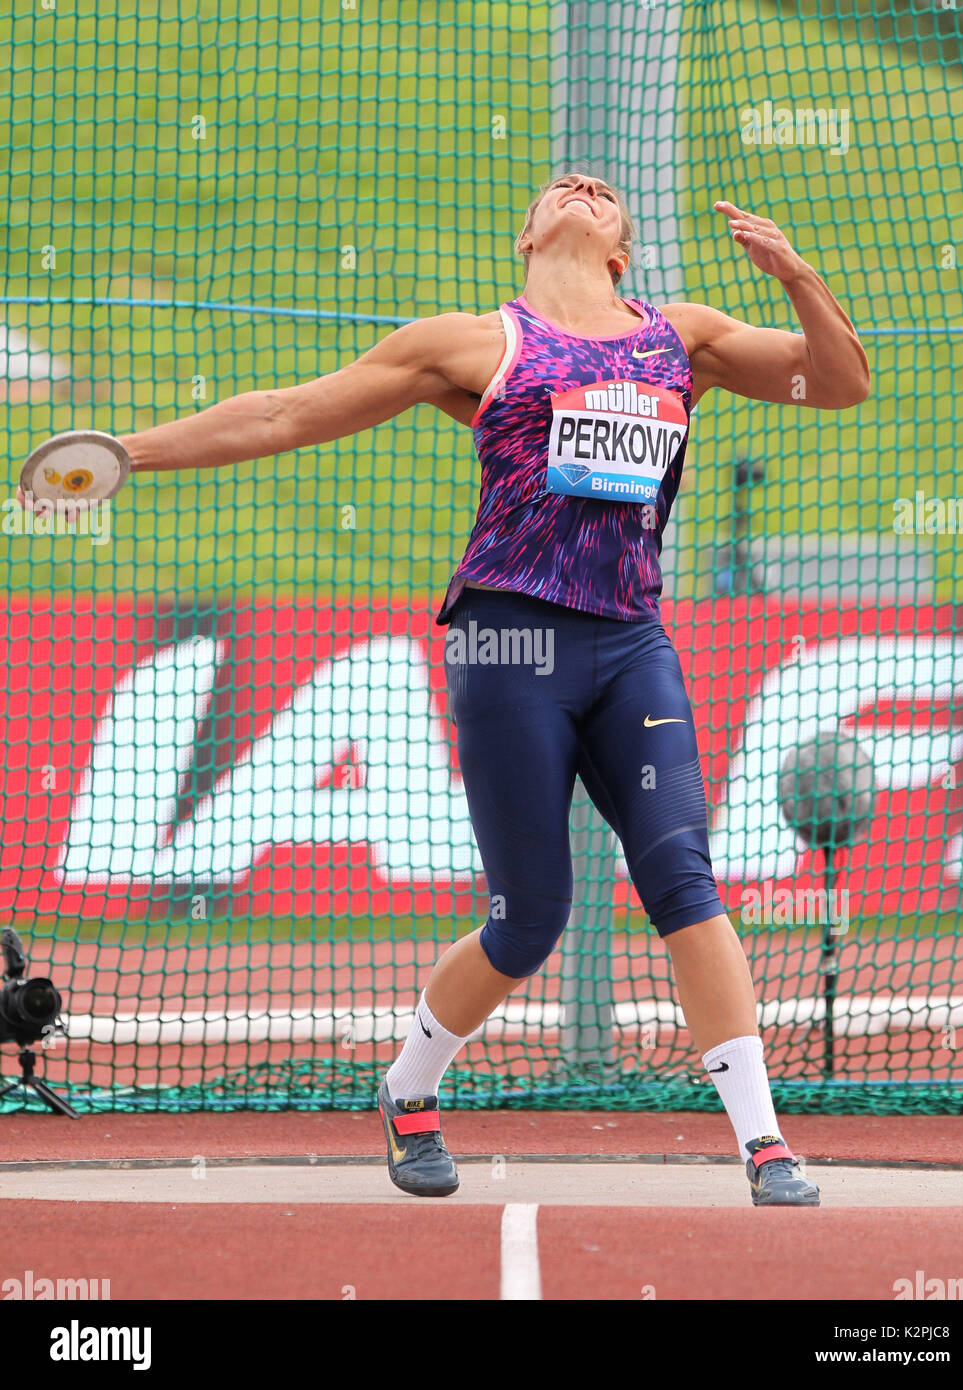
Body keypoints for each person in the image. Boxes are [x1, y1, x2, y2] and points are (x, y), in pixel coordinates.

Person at [58, 170, 869, 1206]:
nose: (578, 189)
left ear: (620, 246)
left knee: (682, 876)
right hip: (509, 643)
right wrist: (125, 452)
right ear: (528, 234)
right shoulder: (475, 343)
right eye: (556, 189)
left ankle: (764, 1143)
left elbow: (836, 381)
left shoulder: (685, 336)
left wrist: (795, 272)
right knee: (528, 919)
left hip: (631, 645)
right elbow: (286, 414)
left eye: (601, 192)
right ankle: (408, 1088)